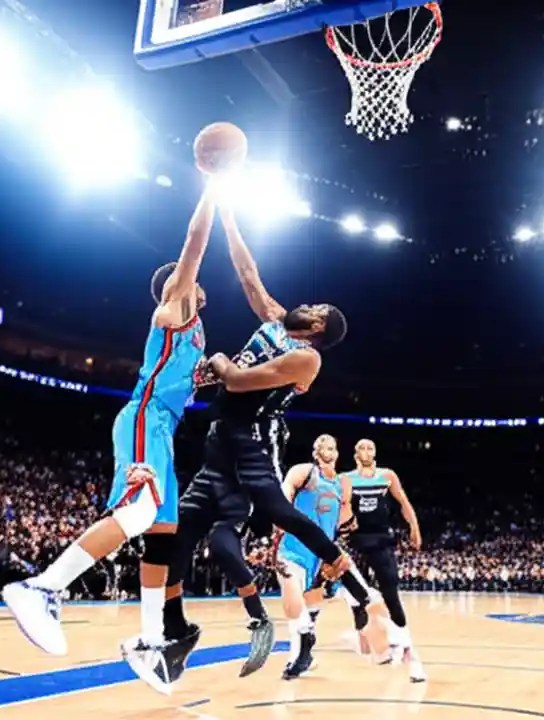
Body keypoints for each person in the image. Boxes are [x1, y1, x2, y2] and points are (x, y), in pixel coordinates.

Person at [156, 204, 375, 686]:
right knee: (181, 531)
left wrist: (215, 361)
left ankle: (355, 585)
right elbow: (249, 275)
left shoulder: (306, 360)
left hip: (257, 438)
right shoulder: (277, 318)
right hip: (220, 438)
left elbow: (236, 381)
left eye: (317, 309)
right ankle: (175, 632)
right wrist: (231, 217)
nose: (309, 305)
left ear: (318, 328)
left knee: (280, 511)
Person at [2, 185, 216, 675]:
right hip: (143, 418)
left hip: (163, 427)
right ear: (177, 287)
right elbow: (195, 241)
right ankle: (42, 587)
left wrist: (215, 373)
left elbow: (188, 379)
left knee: (164, 533)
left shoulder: (198, 334)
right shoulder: (174, 310)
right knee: (139, 512)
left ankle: (149, 639)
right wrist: (214, 186)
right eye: (189, 281)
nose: (197, 284)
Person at [273, 434, 360, 680]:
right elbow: (285, 489)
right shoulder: (307, 472)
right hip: (294, 544)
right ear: (315, 451)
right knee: (290, 588)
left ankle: (298, 658)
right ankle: (305, 634)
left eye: (333, 447)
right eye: (325, 446)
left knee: (308, 607)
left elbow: (343, 520)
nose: (330, 450)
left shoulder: (340, 485)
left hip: (321, 552)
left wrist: (352, 525)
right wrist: (281, 516)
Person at [343, 438, 425, 682]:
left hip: (381, 541)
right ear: (355, 453)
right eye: (362, 448)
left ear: (375, 453)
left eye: (371, 448)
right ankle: (367, 641)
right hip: (354, 543)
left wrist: (414, 527)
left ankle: (410, 652)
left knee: (391, 594)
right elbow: (341, 506)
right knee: (356, 597)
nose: (367, 451)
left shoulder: (387, 475)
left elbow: (403, 502)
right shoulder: (345, 479)